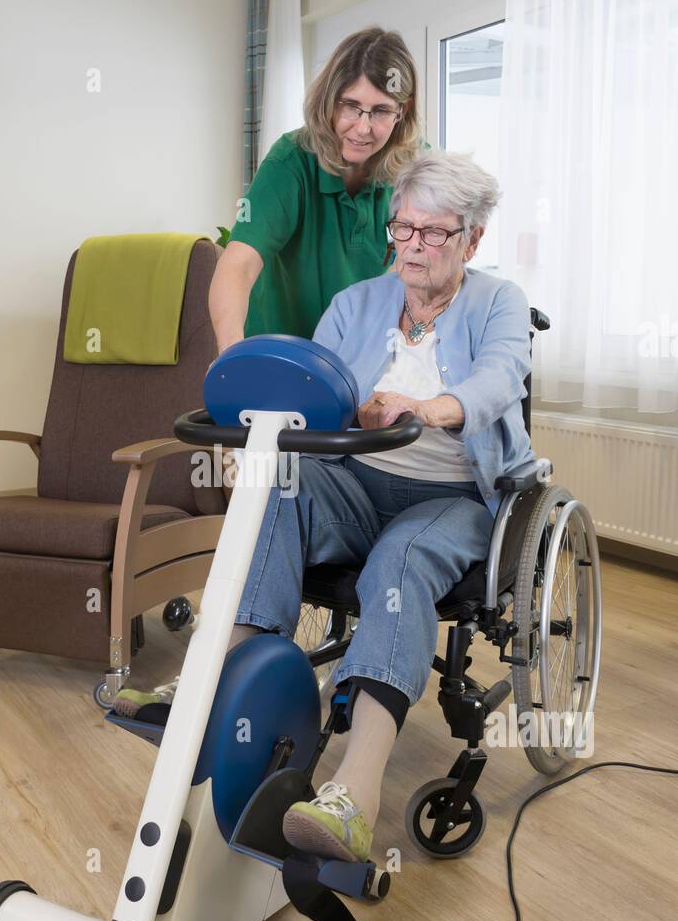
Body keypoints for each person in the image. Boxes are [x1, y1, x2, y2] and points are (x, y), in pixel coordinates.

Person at [227, 150, 536, 864]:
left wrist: (426, 408)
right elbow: (321, 394)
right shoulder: (357, 304)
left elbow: (498, 381)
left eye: (435, 234)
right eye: (404, 230)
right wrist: (346, 412)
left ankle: (352, 795)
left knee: (401, 559)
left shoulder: (498, 302)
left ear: (472, 240)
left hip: (455, 495)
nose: (415, 247)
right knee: (275, 483)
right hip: (357, 484)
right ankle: (228, 684)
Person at [209, 26, 421, 352]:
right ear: (328, 101)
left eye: (380, 110)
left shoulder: (415, 167)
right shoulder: (291, 161)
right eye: (350, 106)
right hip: (284, 354)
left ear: (401, 111)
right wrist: (230, 353)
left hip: (367, 356)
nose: (363, 128)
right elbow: (239, 263)